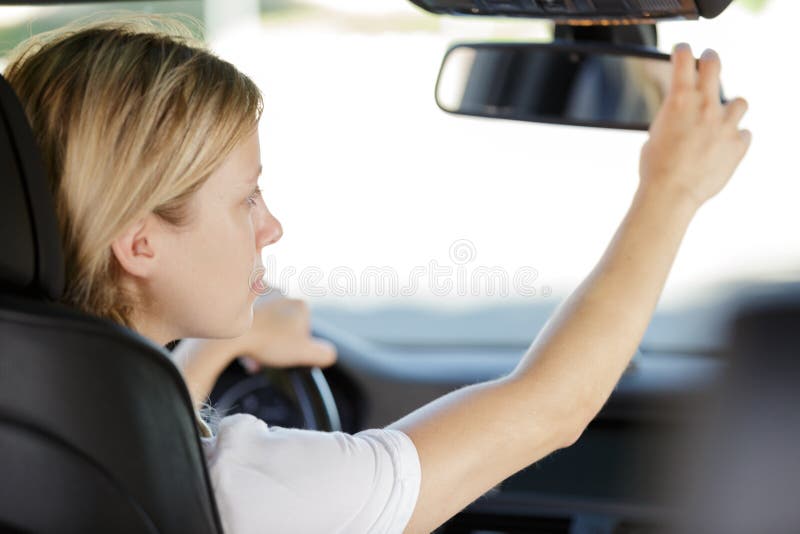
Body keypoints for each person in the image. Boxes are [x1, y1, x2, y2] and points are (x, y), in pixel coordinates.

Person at [2, 14, 751, 534]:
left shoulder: (35, 407)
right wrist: (671, 190)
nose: (272, 226)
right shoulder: (257, 494)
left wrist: (212, 352)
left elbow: (136, 444)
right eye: (246, 198)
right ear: (139, 245)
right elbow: (551, 408)